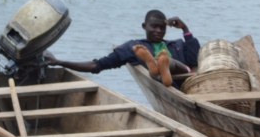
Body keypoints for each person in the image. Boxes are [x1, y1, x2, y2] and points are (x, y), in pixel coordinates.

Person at [45, 10, 199, 87]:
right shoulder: (135, 47)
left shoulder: (176, 44)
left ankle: (161, 65)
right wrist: (59, 61)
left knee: (167, 60)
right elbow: (97, 65)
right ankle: (157, 67)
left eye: (162, 27)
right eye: (154, 27)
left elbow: (193, 59)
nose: (158, 30)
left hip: (184, 79)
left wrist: (185, 28)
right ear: (144, 27)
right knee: (157, 69)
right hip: (162, 83)